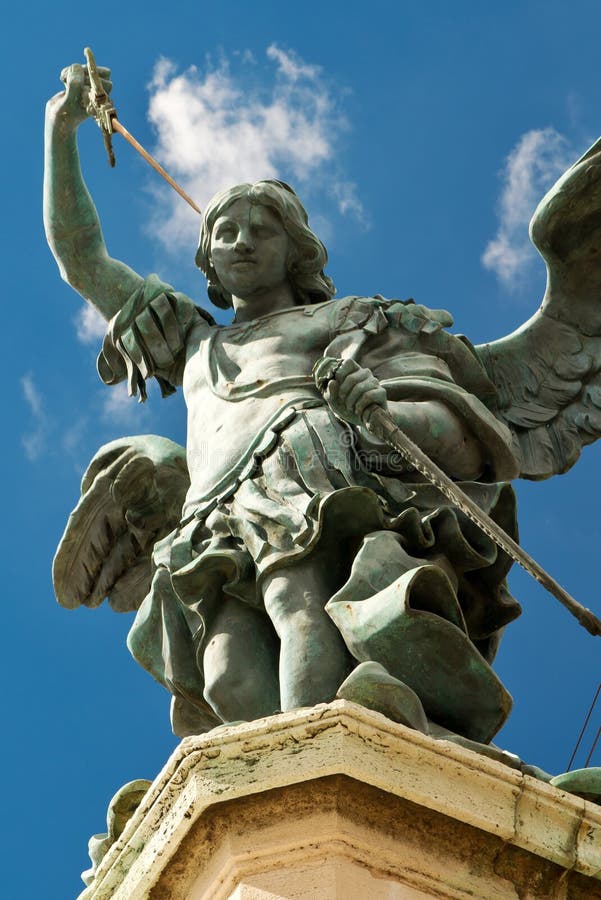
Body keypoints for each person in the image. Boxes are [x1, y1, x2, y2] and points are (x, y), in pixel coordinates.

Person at [45, 63, 522, 742]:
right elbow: (80, 256)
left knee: (298, 607)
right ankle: (295, 779)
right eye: (225, 232)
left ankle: (326, 760)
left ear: (294, 250)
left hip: (300, 470)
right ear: (206, 257)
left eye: (259, 229)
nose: (240, 241)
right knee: (227, 675)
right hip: (211, 508)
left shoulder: (339, 320)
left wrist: (376, 409)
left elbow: (456, 423)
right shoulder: (190, 340)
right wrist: (59, 128)